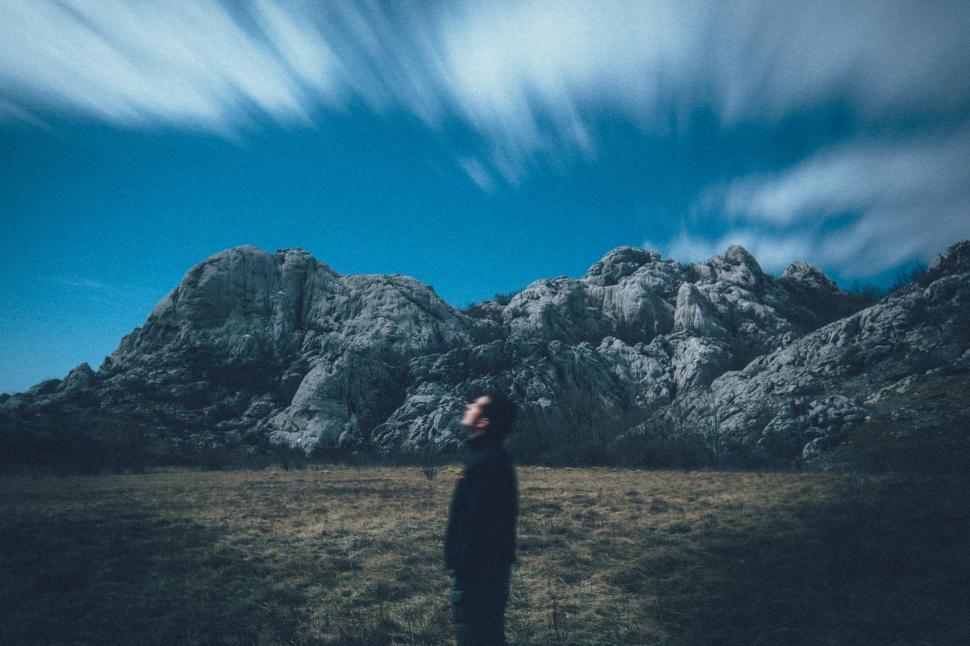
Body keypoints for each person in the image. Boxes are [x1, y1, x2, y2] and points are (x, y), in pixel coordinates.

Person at [445, 389, 519, 646]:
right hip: (484, 569)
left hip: (478, 573)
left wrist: (461, 563)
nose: (468, 406)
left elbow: (482, 524)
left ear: (484, 422)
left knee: (476, 638)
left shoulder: (488, 463)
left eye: (476, 405)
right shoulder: (488, 459)